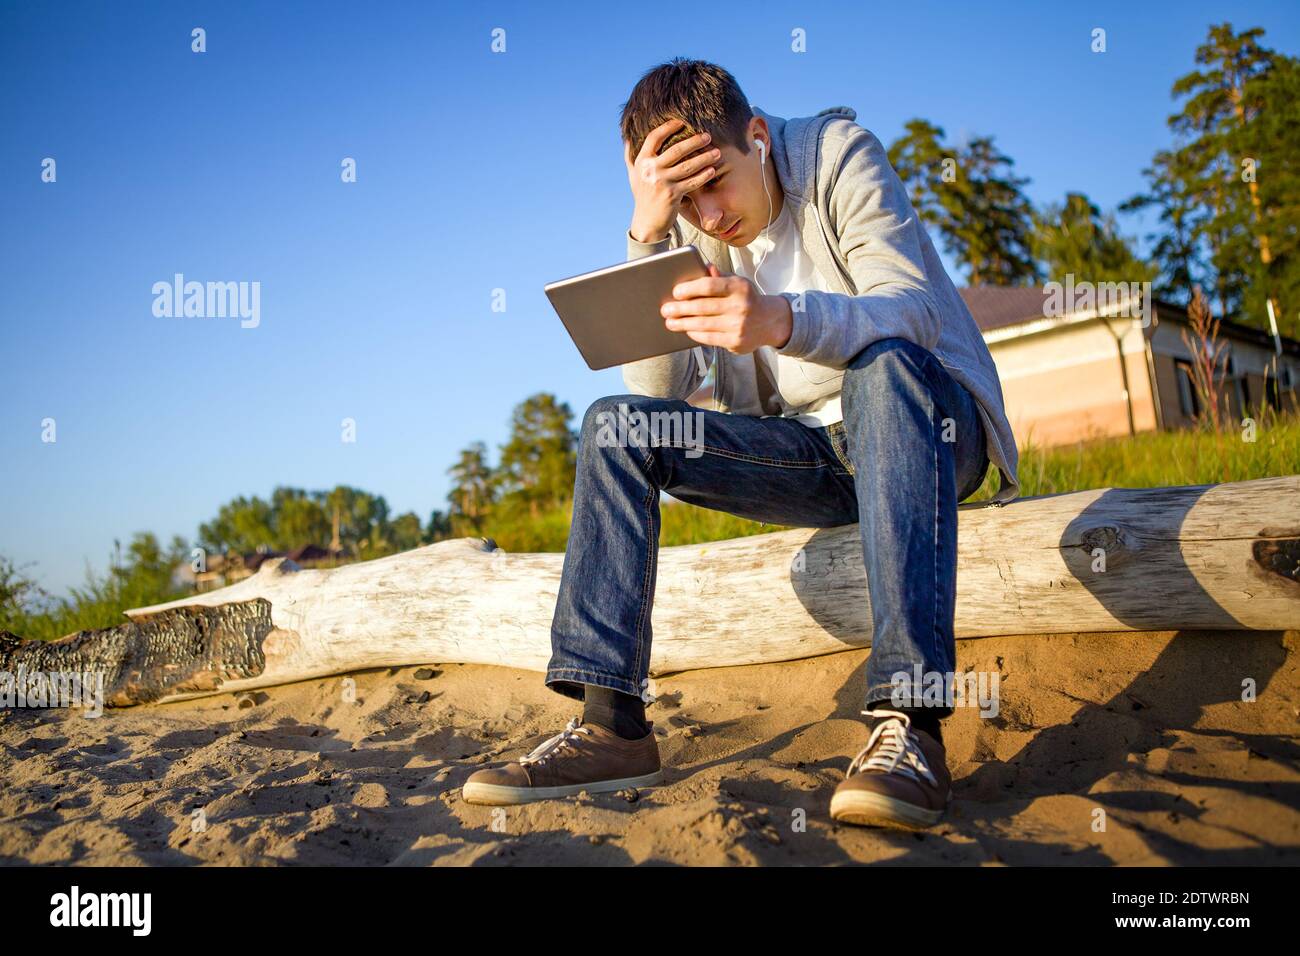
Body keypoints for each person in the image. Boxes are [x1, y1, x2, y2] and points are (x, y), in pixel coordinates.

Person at [463, 58, 1020, 829]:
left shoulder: (838, 155)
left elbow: (912, 310)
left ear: (756, 138)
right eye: (683, 200)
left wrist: (782, 321)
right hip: (813, 457)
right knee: (616, 424)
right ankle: (610, 726)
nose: (710, 215)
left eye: (715, 182)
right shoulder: (691, 231)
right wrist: (648, 235)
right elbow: (658, 391)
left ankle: (910, 728)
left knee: (882, 367)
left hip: (929, 432)